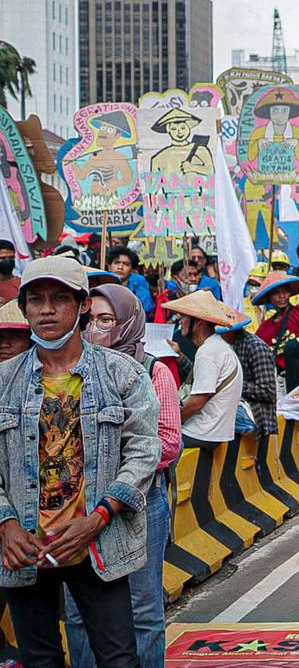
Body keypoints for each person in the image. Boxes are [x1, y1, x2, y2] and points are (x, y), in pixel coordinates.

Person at [0, 256, 159, 668]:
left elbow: (143, 450)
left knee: (119, 658)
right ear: (24, 308)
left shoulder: (121, 373)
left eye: (58, 299)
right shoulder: (3, 382)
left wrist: (100, 515)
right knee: (40, 658)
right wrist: (7, 523)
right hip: (26, 548)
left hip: (97, 545)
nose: (46, 309)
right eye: (35, 300)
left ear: (82, 305)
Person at [66, 283, 181, 668]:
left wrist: (115, 463)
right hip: (77, 503)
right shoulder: (68, 371)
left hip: (140, 502)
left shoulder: (153, 371)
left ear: (128, 322)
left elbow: (167, 443)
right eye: (89, 320)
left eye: (106, 320)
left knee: (142, 608)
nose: (95, 329)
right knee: (78, 610)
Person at [162, 290, 249, 449]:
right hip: (215, 430)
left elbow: (196, 403)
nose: (180, 321)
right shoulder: (215, 346)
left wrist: (169, 421)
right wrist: (179, 355)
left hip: (203, 432)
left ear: (200, 322)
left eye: (184, 317)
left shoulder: (208, 352)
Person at [225, 325, 279, 439]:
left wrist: (232, 383)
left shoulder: (255, 347)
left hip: (254, 413)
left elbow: (268, 391)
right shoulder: (226, 345)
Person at [106, 246, 154, 319]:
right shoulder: (102, 284)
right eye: (117, 263)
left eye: (126, 264)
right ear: (109, 267)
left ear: (132, 269)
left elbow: (146, 308)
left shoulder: (139, 283)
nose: (120, 267)